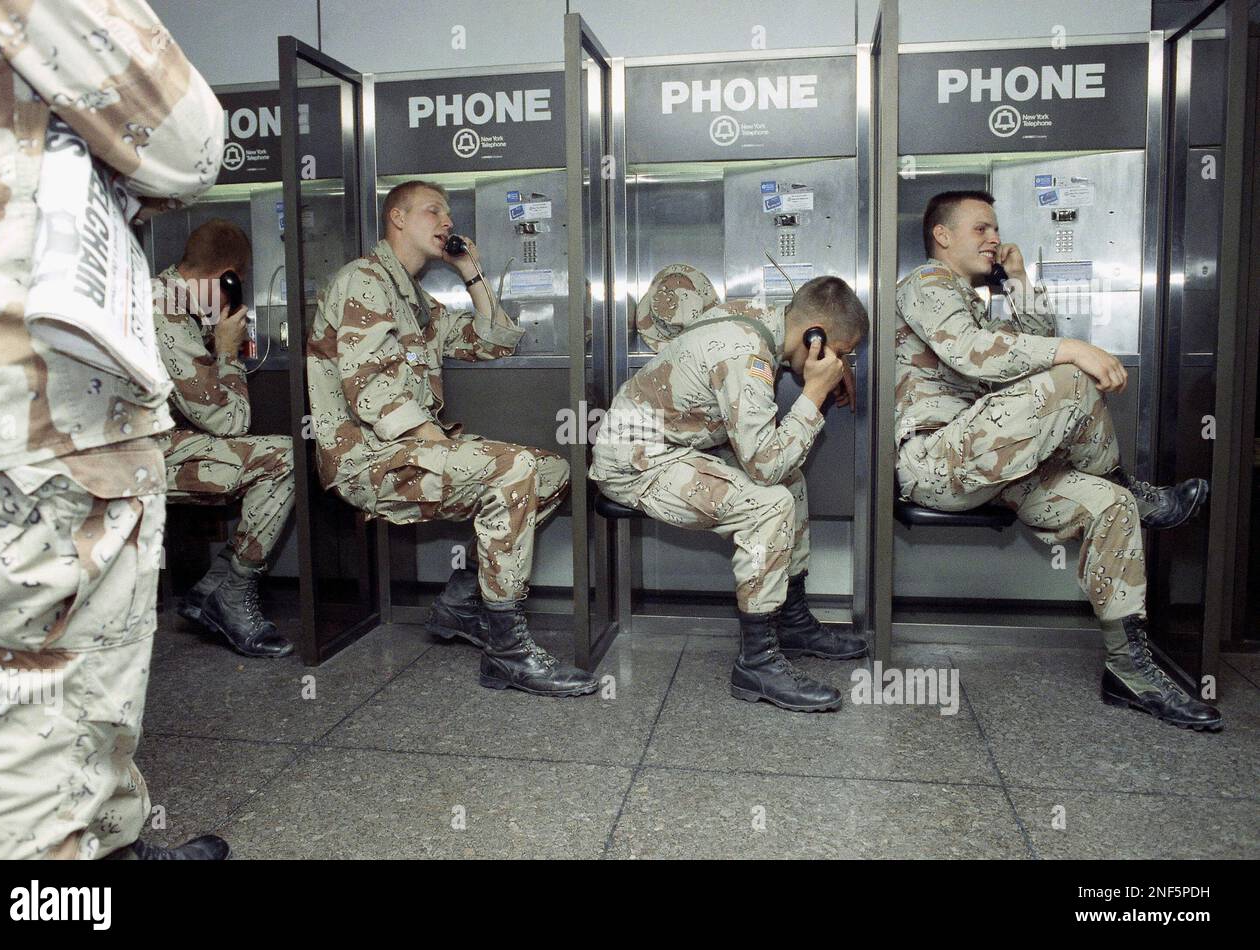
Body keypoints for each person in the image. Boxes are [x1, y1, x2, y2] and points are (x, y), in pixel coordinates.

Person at [0, 0, 231, 858]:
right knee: (25, 699)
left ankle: (105, 844)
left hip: (5, 399)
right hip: (29, 396)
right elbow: (186, 139)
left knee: (50, 675)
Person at [894, 190, 1220, 731]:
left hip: (992, 463)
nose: (994, 238)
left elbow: (1032, 343)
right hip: (935, 461)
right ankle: (1130, 484)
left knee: (1109, 504)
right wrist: (1073, 350)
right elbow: (970, 351)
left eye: (996, 229)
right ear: (942, 236)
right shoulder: (926, 284)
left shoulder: (972, 299)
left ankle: (1128, 671)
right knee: (1070, 376)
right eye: (981, 229)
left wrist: (1018, 282)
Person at [308, 180, 598, 697]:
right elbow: (367, 386)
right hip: (366, 460)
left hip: (407, 451)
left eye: (448, 212)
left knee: (553, 472)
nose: (447, 221)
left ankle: (464, 603)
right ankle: (507, 652)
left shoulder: (415, 299)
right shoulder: (363, 283)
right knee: (515, 470)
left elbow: (493, 342)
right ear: (397, 218)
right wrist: (432, 441)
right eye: (433, 211)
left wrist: (472, 275)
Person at [591, 271, 870, 712]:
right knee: (770, 503)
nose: (841, 365)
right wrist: (813, 393)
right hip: (635, 462)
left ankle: (791, 621)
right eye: (841, 354)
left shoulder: (760, 319)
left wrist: (822, 374)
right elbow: (763, 466)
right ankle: (756, 662)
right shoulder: (745, 353)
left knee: (791, 482)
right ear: (814, 337)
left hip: (669, 445)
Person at [152, 220, 295, 658]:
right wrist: (228, 350)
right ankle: (231, 593)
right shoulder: (167, 311)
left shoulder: (167, 296)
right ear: (227, 276)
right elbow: (229, 420)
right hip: (132, 457)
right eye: (238, 282)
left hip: (150, 442)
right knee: (282, 458)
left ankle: (214, 587)